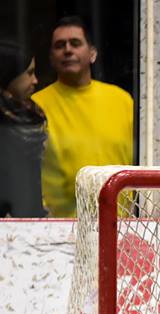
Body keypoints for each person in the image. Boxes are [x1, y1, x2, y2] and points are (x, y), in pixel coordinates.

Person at [31, 16, 133, 218]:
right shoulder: (36, 105)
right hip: (57, 229)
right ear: (51, 58)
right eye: (60, 45)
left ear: (92, 53)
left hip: (121, 226)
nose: (67, 50)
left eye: (75, 43)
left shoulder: (122, 100)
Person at [0, 41, 46, 217]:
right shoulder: (6, 126)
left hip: (26, 228)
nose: (35, 80)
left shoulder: (31, 116)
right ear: (9, 75)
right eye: (29, 73)